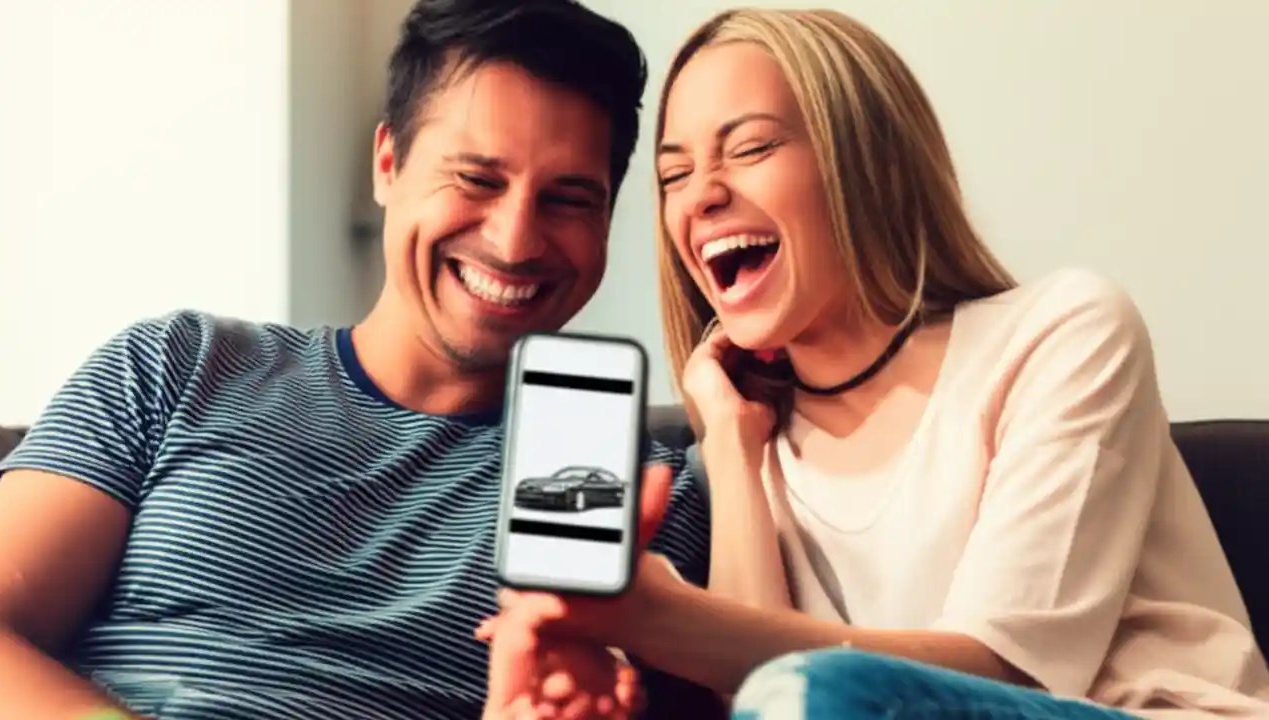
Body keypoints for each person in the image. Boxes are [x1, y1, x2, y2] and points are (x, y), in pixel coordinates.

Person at [477, 8, 1269, 719]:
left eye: (748, 147)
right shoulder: (752, 440)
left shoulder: (1063, 333)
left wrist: (653, 616)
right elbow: (758, 698)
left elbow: (1007, 683)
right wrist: (730, 442)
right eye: (674, 175)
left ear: (867, 162)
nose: (702, 196)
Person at [0, 1, 713, 718]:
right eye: (477, 180)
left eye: (568, 199)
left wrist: (737, 435)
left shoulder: (642, 497)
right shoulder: (173, 367)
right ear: (388, 164)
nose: (516, 240)